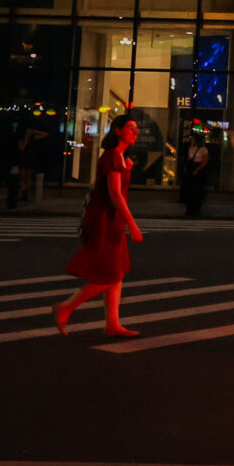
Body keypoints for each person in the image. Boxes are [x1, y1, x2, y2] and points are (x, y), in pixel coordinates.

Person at [53, 114, 143, 338]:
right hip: (105, 220)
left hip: (113, 220)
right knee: (110, 274)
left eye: (136, 128)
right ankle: (66, 307)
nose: (135, 131)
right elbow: (114, 193)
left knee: (117, 272)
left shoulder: (121, 158)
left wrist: (128, 169)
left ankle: (112, 323)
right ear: (118, 130)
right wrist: (132, 223)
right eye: (130, 127)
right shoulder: (113, 156)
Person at [183, 132, 210, 217]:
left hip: (198, 168)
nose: (191, 140)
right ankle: (189, 208)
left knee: (196, 190)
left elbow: (205, 161)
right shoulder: (191, 148)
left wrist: (197, 170)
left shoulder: (203, 149)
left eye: (193, 139)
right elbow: (189, 158)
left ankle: (196, 208)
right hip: (192, 167)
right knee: (190, 189)